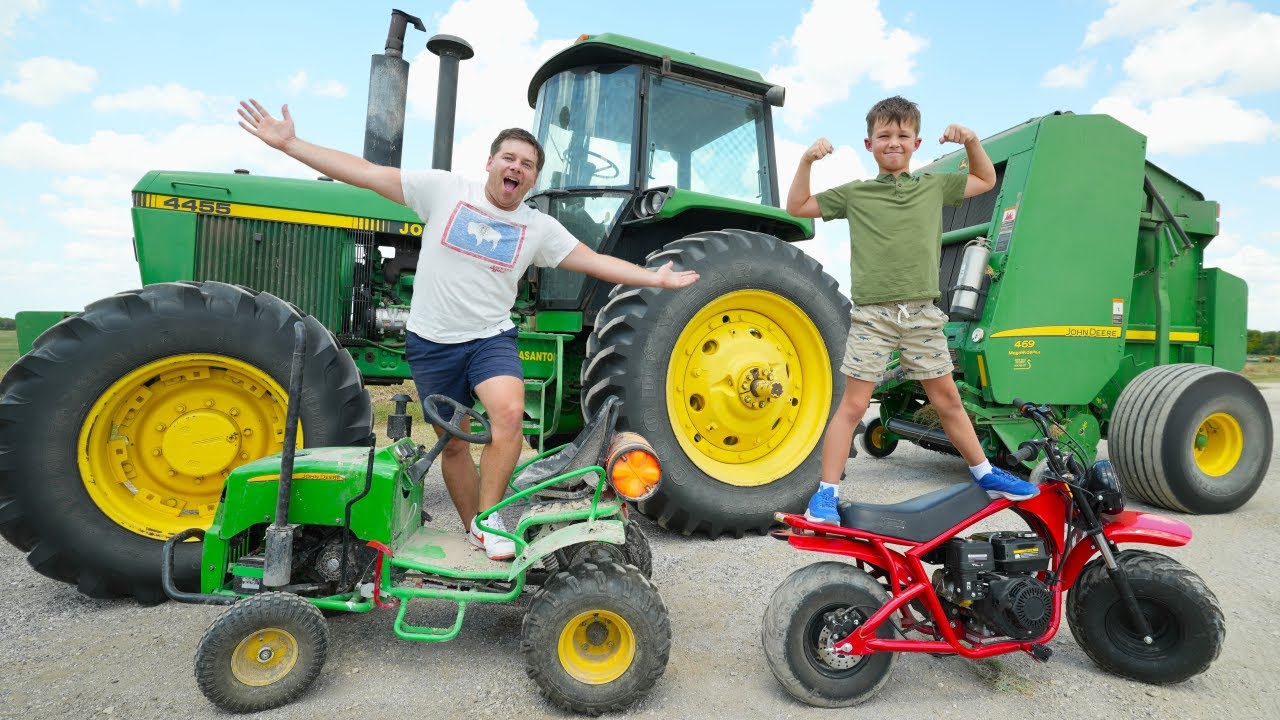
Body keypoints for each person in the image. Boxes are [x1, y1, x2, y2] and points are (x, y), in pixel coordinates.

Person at [238, 99, 699, 557]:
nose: (517, 168)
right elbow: (365, 172)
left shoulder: (537, 227)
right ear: (491, 163)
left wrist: (654, 277)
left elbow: (595, 261)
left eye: (528, 164)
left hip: (489, 339)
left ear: (534, 178)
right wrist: (290, 144)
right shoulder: (445, 191)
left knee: (508, 413)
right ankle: (476, 531)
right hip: (431, 343)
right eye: (510, 158)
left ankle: (489, 518)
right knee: (453, 446)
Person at [785, 95, 1038, 525]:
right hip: (873, 316)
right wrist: (808, 159)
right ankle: (824, 496)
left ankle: (986, 474)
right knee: (852, 407)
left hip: (922, 315)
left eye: (902, 135)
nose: (893, 142)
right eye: (884, 135)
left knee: (948, 402)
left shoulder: (934, 186)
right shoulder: (857, 194)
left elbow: (984, 178)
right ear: (869, 144)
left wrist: (972, 139)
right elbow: (797, 206)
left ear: (916, 142)